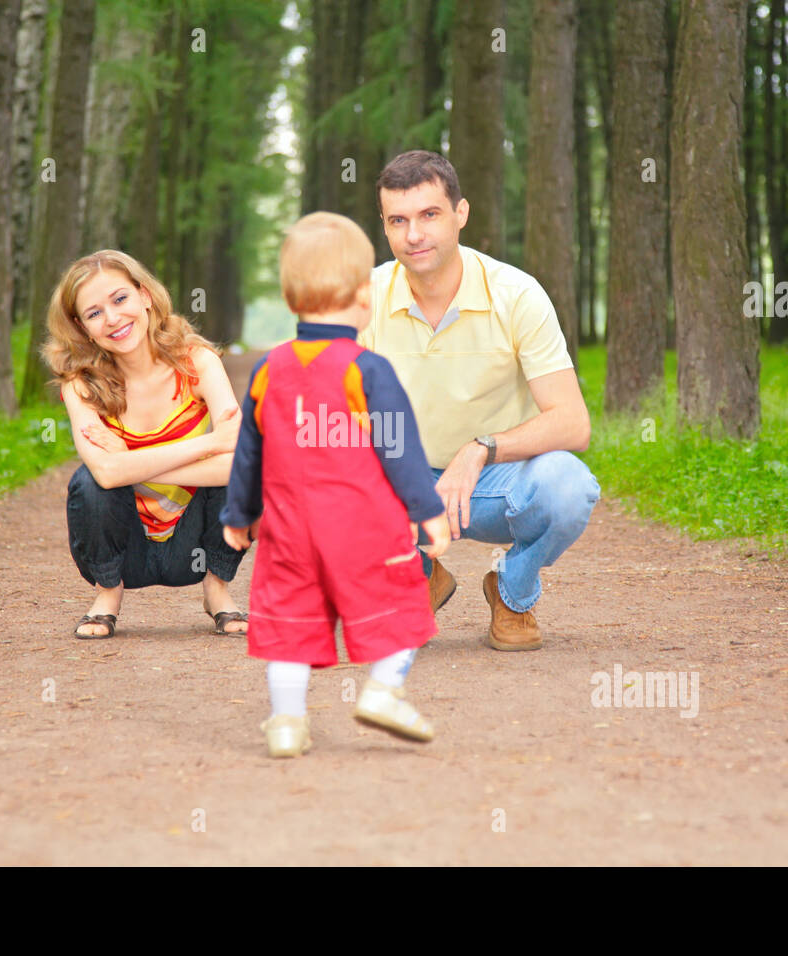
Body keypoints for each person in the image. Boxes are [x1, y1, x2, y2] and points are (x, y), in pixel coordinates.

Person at [221, 212, 451, 758]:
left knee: (290, 626)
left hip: (288, 535)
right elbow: (400, 450)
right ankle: (383, 691)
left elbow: (249, 453)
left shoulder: (269, 371)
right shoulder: (368, 370)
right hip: (364, 531)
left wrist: (237, 515)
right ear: (361, 298)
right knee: (400, 612)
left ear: (289, 295)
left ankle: (285, 724)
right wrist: (427, 509)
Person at [362, 150, 601, 652]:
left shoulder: (517, 294)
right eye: (398, 221)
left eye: (430, 215)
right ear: (383, 226)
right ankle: (419, 575)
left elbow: (573, 424)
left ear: (460, 214)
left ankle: (513, 592)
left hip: (493, 485)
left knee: (569, 486)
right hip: (406, 486)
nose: (414, 235)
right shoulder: (366, 298)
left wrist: (480, 448)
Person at [45, 249, 249, 640]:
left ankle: (217, 588)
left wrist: (133, 462)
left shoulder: (197, 361)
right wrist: (209, 444)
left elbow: (238, 465)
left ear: (145, 296)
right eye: (94, 313)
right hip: (127, 552)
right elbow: (105, 473)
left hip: (194, 545)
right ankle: (108, 595)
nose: (113, 319)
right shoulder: (81, 384)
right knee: (87, 482)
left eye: (120, 299)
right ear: (82, 327)